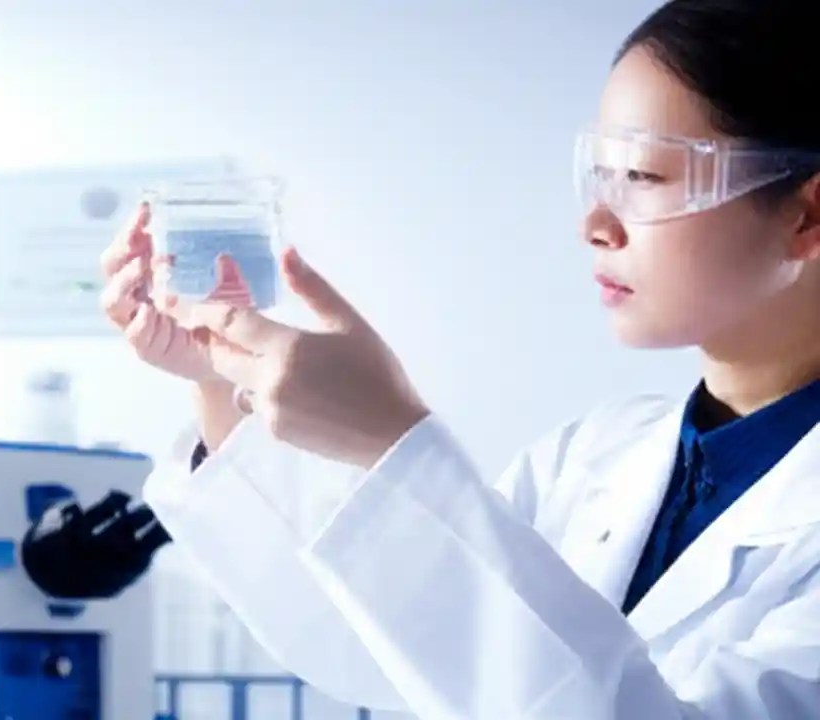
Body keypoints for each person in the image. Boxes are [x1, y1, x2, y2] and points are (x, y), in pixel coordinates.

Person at [98, 1, 820, 717]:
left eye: (647, 178)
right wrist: (222, 380)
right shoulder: (592, 457)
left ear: (805, 216)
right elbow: (376, 646)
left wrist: (393, 444)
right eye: (601, 175)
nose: (595, 223)